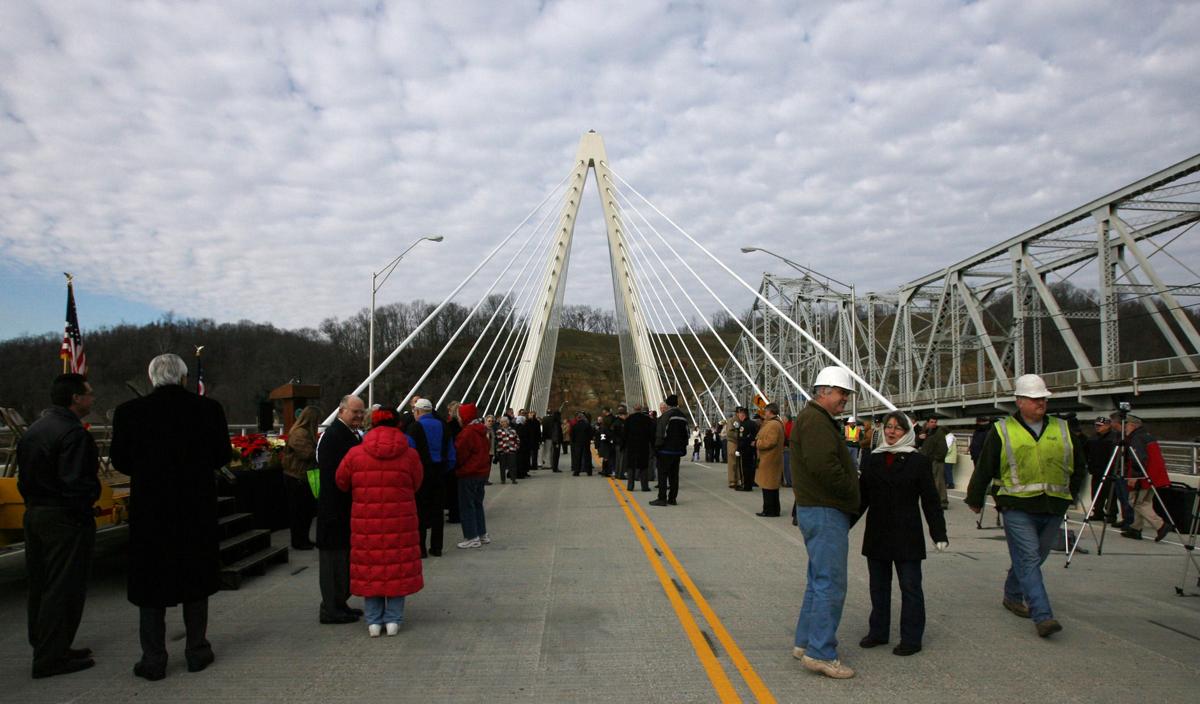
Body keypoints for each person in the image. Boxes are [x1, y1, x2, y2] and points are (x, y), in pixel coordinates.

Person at [110, 354, 229, 680]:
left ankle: (153, 658)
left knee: (151, 584)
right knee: (196, 579)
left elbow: (119, 460)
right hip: (195, 507)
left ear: (151, 378)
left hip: (152, 508)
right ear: (183, 378)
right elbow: (222, 455)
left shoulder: (128, 413)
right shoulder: (209, 410)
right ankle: (197, 650)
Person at [965, 373, 1086, 638]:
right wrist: (975, 498)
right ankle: (1042, 615)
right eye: (1034, 399)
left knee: (1035, 557)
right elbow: (985, 466)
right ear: (1019, 401)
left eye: (1042, 398)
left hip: (1053, 505)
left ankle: (1012, 593)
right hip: (1016, 504)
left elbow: (1079, 466)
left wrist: (1071, 495)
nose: (1040, 403)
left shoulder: (1062, 429)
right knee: (1030, 557)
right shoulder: (1002, 430)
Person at [17, 373, 101, 679]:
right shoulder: (72, 434)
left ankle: (49, 644)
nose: (93, 398)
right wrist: (85, 507)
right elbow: (76, 482)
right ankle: (50, 658)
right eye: (89, 394)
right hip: (65, 517)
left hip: (36, 512)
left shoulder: (35, 430)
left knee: (41, 583)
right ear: (76, 398)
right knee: (63, 587)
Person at [857, 411, 947, 656]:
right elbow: (862, 498)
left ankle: (911, 637)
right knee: (878, 586)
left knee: (910, 587)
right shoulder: (873, 459)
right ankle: (878, 631)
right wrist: (842, 524)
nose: (891, 431)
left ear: (907, 432)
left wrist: (939, 533)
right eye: (888, 427)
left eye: (897, 428)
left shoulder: (919, 462)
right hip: (877, 532)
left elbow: (930, 501)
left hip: (907, 533)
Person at [790, 366, 860, 679]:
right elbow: (823, 466)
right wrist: (852, 489)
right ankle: (821, 652)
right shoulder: (817, 422)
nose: (845, 399)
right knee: (831, 583)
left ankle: (805, 643)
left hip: (815, 508)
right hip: (825, 508)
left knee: (818, 581)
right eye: (842, 393)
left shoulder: (812, 418)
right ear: (824, 392)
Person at [335, 408, 423, 637]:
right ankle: (393, 619)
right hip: (400, 522)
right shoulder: (410, 454)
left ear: (371, 424)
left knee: (370, 568)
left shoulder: (355, 453)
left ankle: (373, 621)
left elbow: (341, 482)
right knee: (397, 568)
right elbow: (417, 483)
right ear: (397, 425)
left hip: (366, 524)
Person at [314, 394, 365, 624]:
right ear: (341, 410)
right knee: (333, 562)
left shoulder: (345, 434)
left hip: (342, 509)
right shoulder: (334, 436)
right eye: (355, 412)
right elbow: (335, 476)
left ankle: (339, 603)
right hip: (333, 510)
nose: (359, 416)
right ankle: (331, 608)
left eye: (361, 412)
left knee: (342, 561)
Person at [406, 398, 455, 557]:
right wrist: (443, 469)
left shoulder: (414, 427)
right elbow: (451, 455)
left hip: (421, 474)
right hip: (439, 472)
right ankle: (437, 547)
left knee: (419, 511)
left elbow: (410, 454)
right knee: (437, 511)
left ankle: (420, 549)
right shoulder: (443, 426)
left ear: (418, 411)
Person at [1116, 413, 1171, 542]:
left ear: (1133, 425)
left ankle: (1160, 525)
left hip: (1144, 475)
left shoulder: (1136, 439)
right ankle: (1136, 528)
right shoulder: (1146, 436)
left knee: (1136, 502)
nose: (1125, 428)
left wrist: (1135, 476)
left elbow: (1138, 459)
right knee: (1145, 501)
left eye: (1127, 425)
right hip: (1154, 475)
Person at [281, 406, 320, 550]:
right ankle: (298, 540)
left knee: (307, 511)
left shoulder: (304, 433)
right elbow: (307, 454)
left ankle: (304, 538)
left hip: (304, 476)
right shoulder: (299, 434)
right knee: (299, 511)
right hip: (296, 477)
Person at [454, 403, 492, 548]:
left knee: (467, 506)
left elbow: (460, 454)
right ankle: (482, 534)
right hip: (481, 473)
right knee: (477, 504)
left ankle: (471, 536)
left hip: (468, 473)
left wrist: (456, 466)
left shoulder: (466, 433)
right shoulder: (481, 431)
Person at [649, 394, 689, 506]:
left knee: (663, 475)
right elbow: (687, 434)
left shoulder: (666, 416)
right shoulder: (683, 416)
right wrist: (683, 447)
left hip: (665, 451)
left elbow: (660, 433)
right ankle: (672, 498)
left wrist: (656, 448)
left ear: (667, 404)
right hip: (677, 452)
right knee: (674, 476)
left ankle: (662, 498)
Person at [754, 403, 786, 517]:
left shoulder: (773, 425)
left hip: (769, 458)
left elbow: (770, 441)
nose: (765, 413)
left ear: (771, 412)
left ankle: (769, 510)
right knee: (770, 486)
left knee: (768, 486)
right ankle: (772, 509)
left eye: (766, 411)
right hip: (770, 458)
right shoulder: (775, 424)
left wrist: (758, 443)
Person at [1084, 417, 1117, 522]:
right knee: (1096, 493)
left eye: (1100, 425)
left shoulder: (1114, 438)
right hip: (1096, 471)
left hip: (1109, 471)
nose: (1097, 427)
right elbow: (1086, 452)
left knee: (1110, 495)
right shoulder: (1092, 439)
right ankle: (1098, 512)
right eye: (1096, 425)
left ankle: (1111, 515)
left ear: (1108, 426)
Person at [624, 404, 656, 492]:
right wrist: (653, 445)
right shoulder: (647, 420)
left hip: (632, 446)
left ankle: (630, 486)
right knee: (643, 467)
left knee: (631, 467)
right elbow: (651, 434)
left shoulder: (628, 419)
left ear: (634, 409)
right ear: (641, 409)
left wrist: (624, 445)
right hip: (643, 446)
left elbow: (625, 434)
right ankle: (644, 486)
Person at [919, 418, 949, 510]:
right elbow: (921, 445)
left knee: (939, 481)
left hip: (935, 461)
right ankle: (933, 500)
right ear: (927, 422)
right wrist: (919, 438)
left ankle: (942, 501)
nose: (934, 424)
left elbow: (943, 448)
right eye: (932, 422)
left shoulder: (938, 433)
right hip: (927, 460)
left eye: (935, 422)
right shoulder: (927, 432)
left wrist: (937, 458)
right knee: (931, 481)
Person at [732, 406, 758, 491]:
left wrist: (738, 449)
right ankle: (750, 484)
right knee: (751, 468)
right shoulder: (753, 424)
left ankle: (746, 486)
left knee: (745, 468)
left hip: (745, 450)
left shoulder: (743, 426)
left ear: (743, 415)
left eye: (739, 414)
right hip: (752, 449)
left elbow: (742, 439)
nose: (738, 415)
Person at [495, 415, 520, 484]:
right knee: (502, 466)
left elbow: (517, 439)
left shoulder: (512, 430)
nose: (503, 423)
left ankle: (513, 479)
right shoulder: (498, 431)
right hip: (502, 450)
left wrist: (516, 446)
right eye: (502, 422)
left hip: (511, 450)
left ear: (507, 422)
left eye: (505, 422)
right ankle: (503, 480)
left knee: (513, 465)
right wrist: (498, 449)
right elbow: (496, 441)